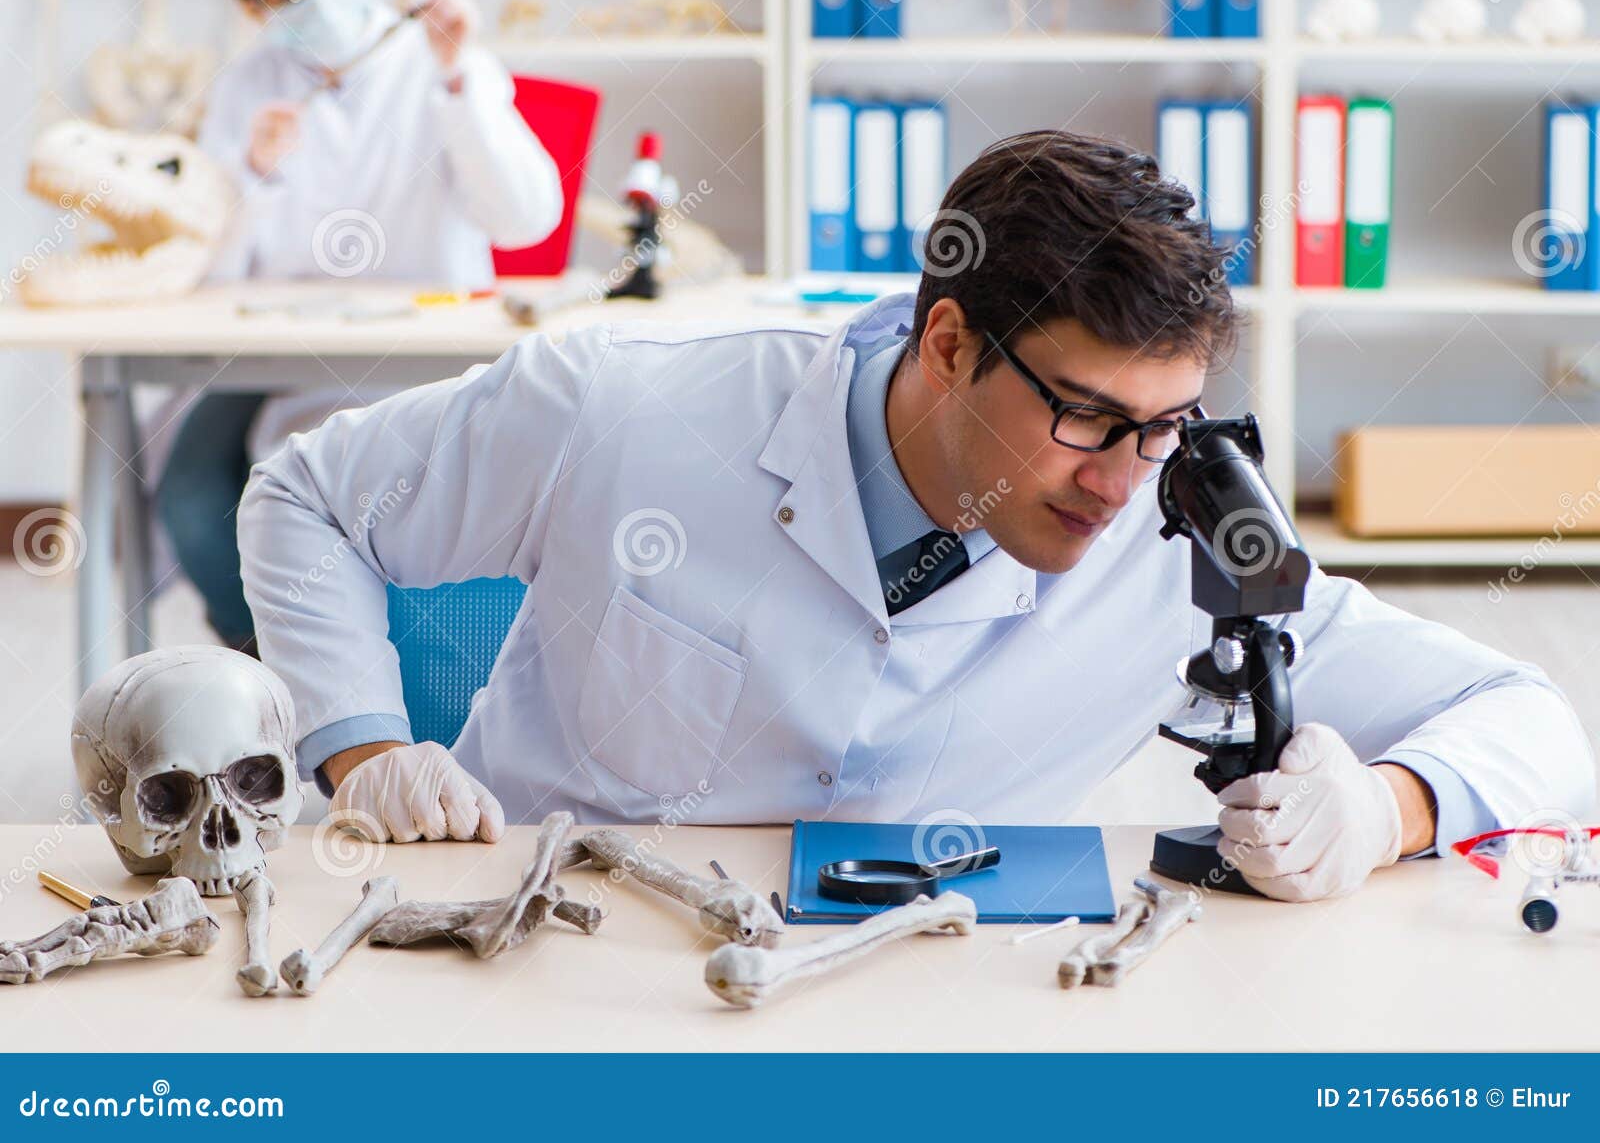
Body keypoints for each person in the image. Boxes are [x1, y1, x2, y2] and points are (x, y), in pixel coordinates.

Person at [237, 130, 1593, 901]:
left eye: (1162, 424)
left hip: (925, 1017)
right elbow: (307, 493)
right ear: (947, 341)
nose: (1123, 482)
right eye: (1084, 418)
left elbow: (1536, 714)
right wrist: (359, 751)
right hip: (546, 963)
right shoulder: (622, 410)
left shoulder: (1177, 536)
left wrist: (1391, 810)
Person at [156, 0, 563, 653]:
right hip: (284, 356)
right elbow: (210, 272)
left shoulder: (437, 58)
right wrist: (252, 172)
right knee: (186, 494)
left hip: (433, 349)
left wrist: (456, 81)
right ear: (255, 7)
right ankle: (272, 656)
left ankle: (393, 669)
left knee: (408, 511)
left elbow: (525, 218)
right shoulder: (250, 86)